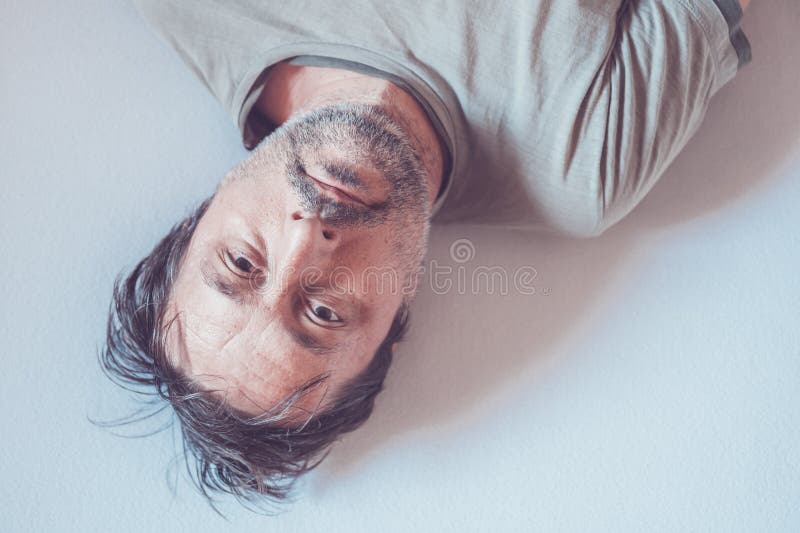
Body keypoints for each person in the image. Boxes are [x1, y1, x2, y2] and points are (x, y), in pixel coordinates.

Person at [102, 0, 752, 505]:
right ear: (399, 306)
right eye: (323, 311)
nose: (308, 237)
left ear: (206, 212)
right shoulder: (581, 163)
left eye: (241, 264)